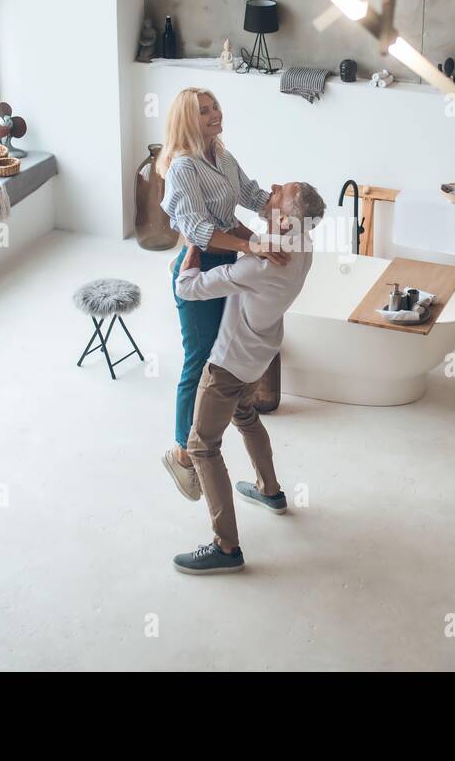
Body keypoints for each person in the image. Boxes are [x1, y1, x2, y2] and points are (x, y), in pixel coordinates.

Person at [170, 181, 325, 575]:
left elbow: (187, 288)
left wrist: (193, 243)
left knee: (202, 446)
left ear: (287, 223)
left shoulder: (259, 266)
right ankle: (270, 492)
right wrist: (243, 236)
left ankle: (227, 547)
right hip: (260, 356)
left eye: (279, 193)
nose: (270, 189)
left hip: (228, 365)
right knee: (245, 416)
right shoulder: (303, 246)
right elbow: (261, 239)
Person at [157, 87, 288, 500]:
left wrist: (287, 208)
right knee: (199, 360)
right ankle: (183, 452)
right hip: (199, 268)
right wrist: (251, 245)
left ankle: (216, 427)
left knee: (224, 356)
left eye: (215, 107)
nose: (215, 114)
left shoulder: (223, 155)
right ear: (186, 120)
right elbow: (197, 229)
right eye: (204, 111)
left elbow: (250, 195)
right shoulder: (183, 169)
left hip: (227, 263)